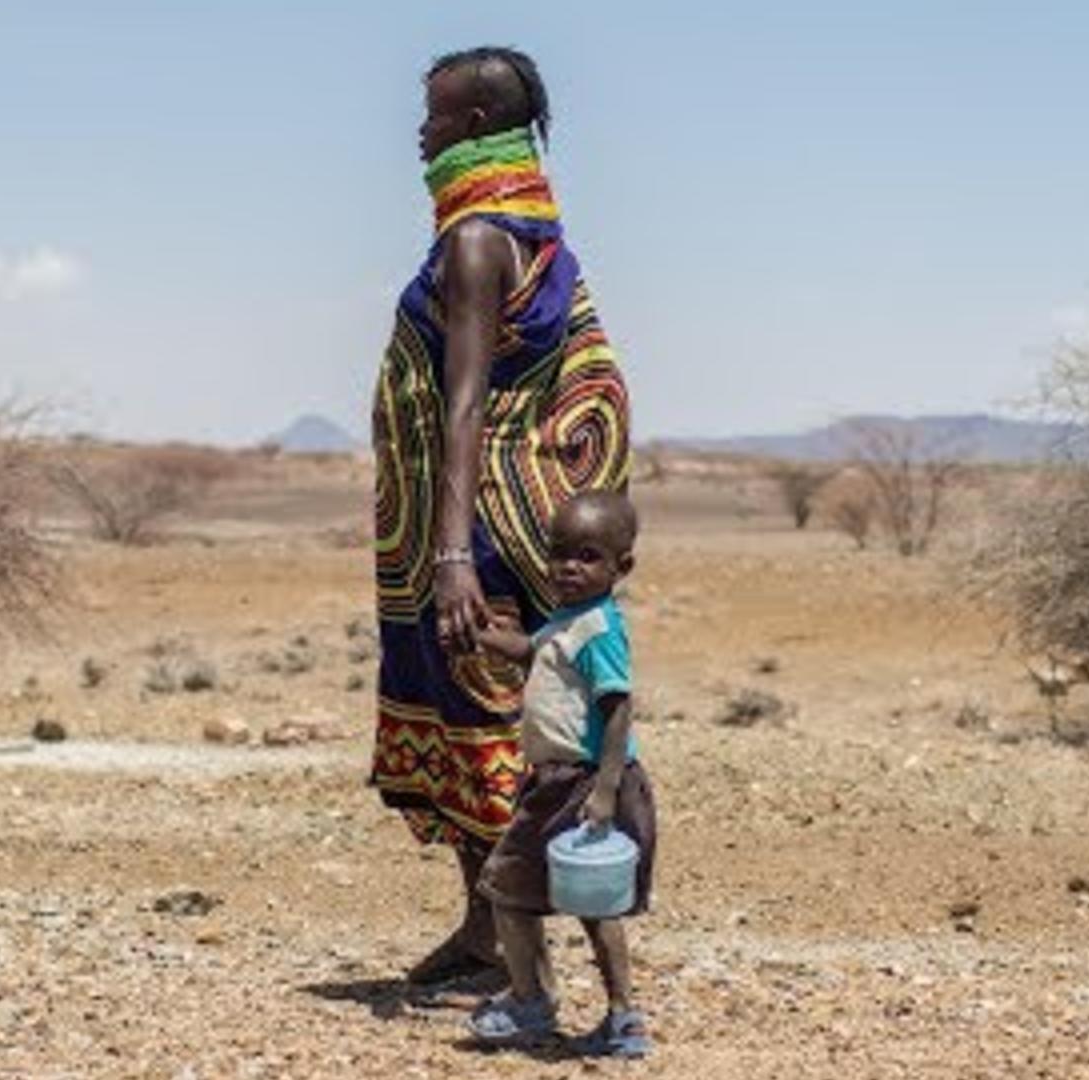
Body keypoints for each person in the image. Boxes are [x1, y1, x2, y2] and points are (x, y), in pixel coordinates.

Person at [368, 45, 630, 986]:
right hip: (490, 517)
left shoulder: (480, 239)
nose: (422, 132)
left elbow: (465, 399)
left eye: (435, 116)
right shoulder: (538, 236)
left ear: (477, 126)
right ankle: (488, 933)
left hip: (471, 528)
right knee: (481, 715)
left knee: (479, 717)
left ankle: (507, 952)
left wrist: (449, 556)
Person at [466, 491, 657, 1059]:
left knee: (524, 892)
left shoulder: (599, 628)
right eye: (560, 554)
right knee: (541, 896)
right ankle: (600, 1013)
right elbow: (540, 654)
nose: (569, 567)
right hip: (556, 783)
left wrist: (603, 791)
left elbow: (618, 707)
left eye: (588, 557)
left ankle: (549, 1005)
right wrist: (492, 639)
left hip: (582, 785)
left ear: (621, 567)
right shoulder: (568, 620)